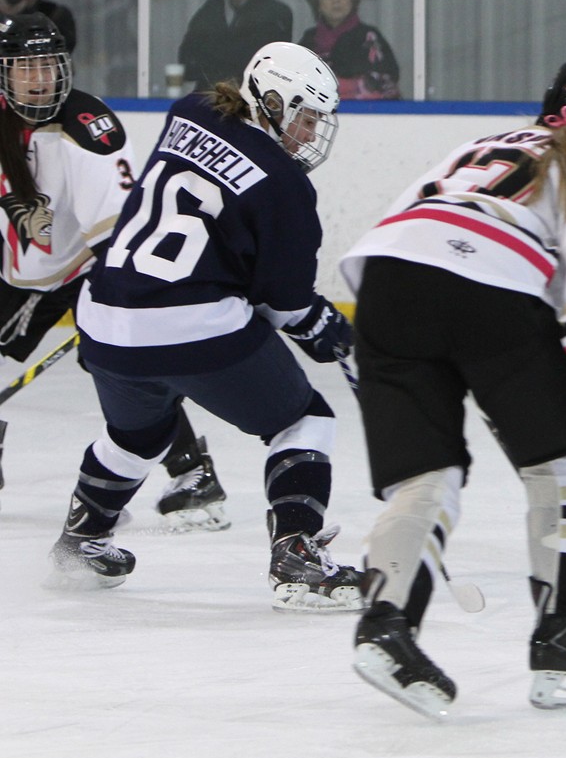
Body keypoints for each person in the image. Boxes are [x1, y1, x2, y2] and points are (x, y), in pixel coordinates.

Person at [343, 58, 566, 717]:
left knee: (428, 475)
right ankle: (562, 631)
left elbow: (406, 228)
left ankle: (386, 623)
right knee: (563, 463)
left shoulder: (478, 146)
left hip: (387, 291)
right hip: (485, 294)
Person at [48, 41, 364, 611]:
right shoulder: (288, 186)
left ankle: (81, 542)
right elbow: (282, 301)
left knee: (137, 436)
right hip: (192, 324)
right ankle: (296, 554)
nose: (313, 131)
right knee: (304, 422)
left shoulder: (190, 111)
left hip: (104, 315)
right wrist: (331, 333)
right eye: (306, 115)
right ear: (271, 101)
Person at [0, 13, 221, 517]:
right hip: (25, 268)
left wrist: (117, 297)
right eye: (25, 68)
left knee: (128, 369)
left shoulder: (86, 128)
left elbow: (118, 230)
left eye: (47, 66)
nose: (39, 79)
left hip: (89, 267)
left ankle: (194, 472)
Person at [176, 0, 293, 91]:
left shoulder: (277, 16)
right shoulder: (207, 14)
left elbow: (267, 68)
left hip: (255, 105)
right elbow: (187, 66)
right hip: (210, 104)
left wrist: (215, 56)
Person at [298, 0, 401, 100]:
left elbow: (384, 84)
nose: (336, 0)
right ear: (317, 3)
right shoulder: (310, 39)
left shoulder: (369, 37)